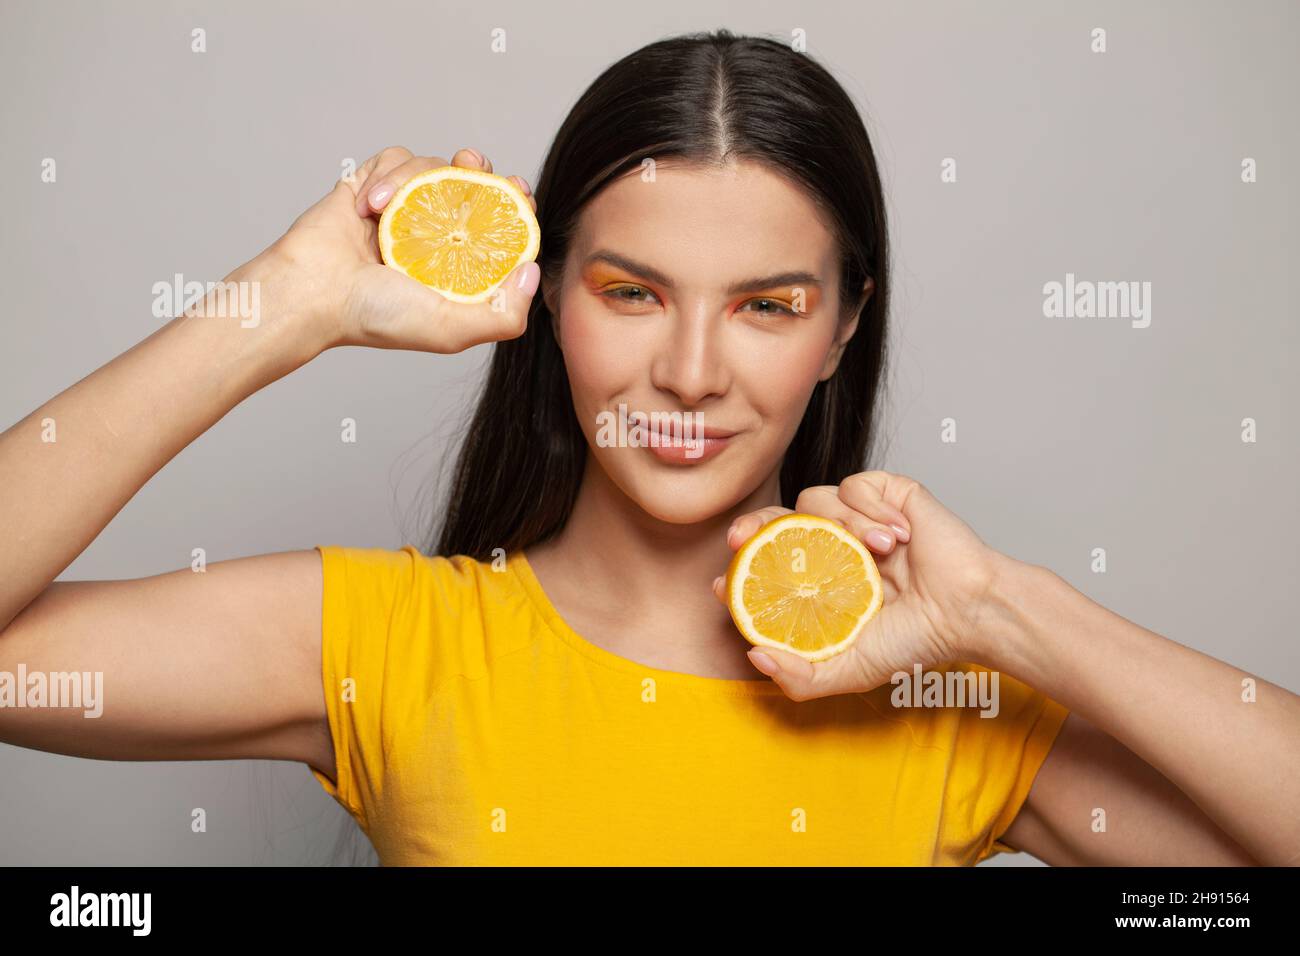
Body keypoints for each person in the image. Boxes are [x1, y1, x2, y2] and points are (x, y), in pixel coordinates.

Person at [1, 30, 1293, 866]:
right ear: (546, 298)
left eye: (769, 306)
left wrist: (1017, 614)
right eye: (630, 293)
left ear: (844, 328)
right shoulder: (388, 642)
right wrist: (282, 306)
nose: (687, 370)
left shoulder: (948, 699)